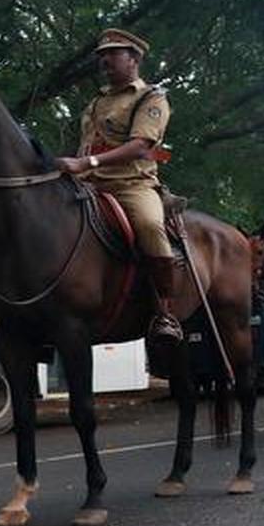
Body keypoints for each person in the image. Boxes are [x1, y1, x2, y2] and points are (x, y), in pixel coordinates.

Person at [55, 28, 181, 343]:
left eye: (112, 54)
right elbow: (87, 146)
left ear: (134, 58)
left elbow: (140, 146)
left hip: (130, 184)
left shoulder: (151, 97)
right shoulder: (97, 101)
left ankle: (165, 313)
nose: (105, 60)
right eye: (101, 55)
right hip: (86, 183)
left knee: (150, 225)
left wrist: (88, 163)